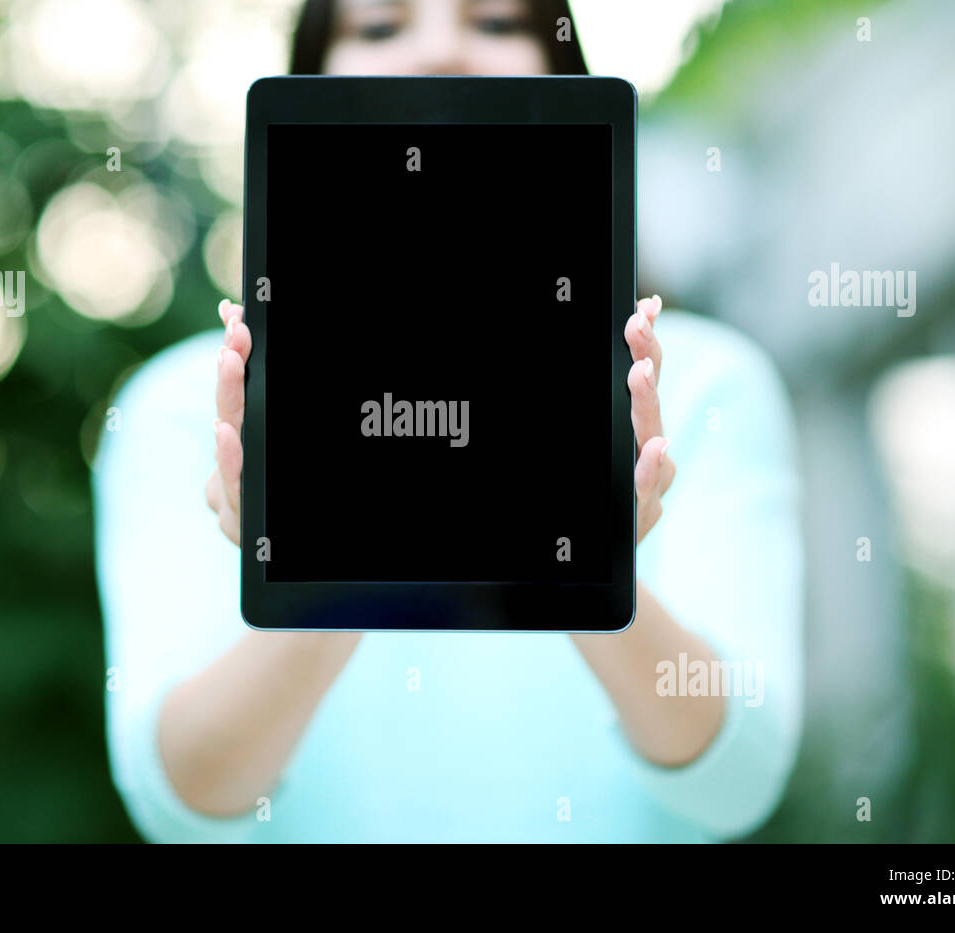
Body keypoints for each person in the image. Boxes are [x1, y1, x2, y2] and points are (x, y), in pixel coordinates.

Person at [94, 0, 803, 842]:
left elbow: (737, 785)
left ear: (563, 79)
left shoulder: (699, 383)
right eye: (381, 27)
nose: (439, 50)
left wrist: (586, 556)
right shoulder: (189, 405)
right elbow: (182, 801)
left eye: (499, 23)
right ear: (307, 86)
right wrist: (322, 569)